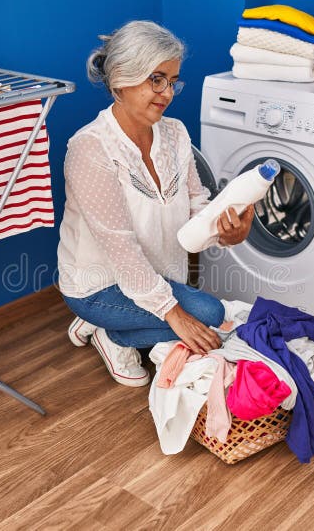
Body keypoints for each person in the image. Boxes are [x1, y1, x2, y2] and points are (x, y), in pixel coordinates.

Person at [57, 20, 255, 386]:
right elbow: (121, 249)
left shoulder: (175, 133)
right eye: (156, 79)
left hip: (156, 275)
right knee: (209, 317)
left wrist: (228, 233)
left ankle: (117, 326)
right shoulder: (91, 149)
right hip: (99, 284)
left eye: (172, 81)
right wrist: (174, 314)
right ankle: (106, 329)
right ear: (120, 79)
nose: (167, 92)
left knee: (208, 316)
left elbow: (199, 207)